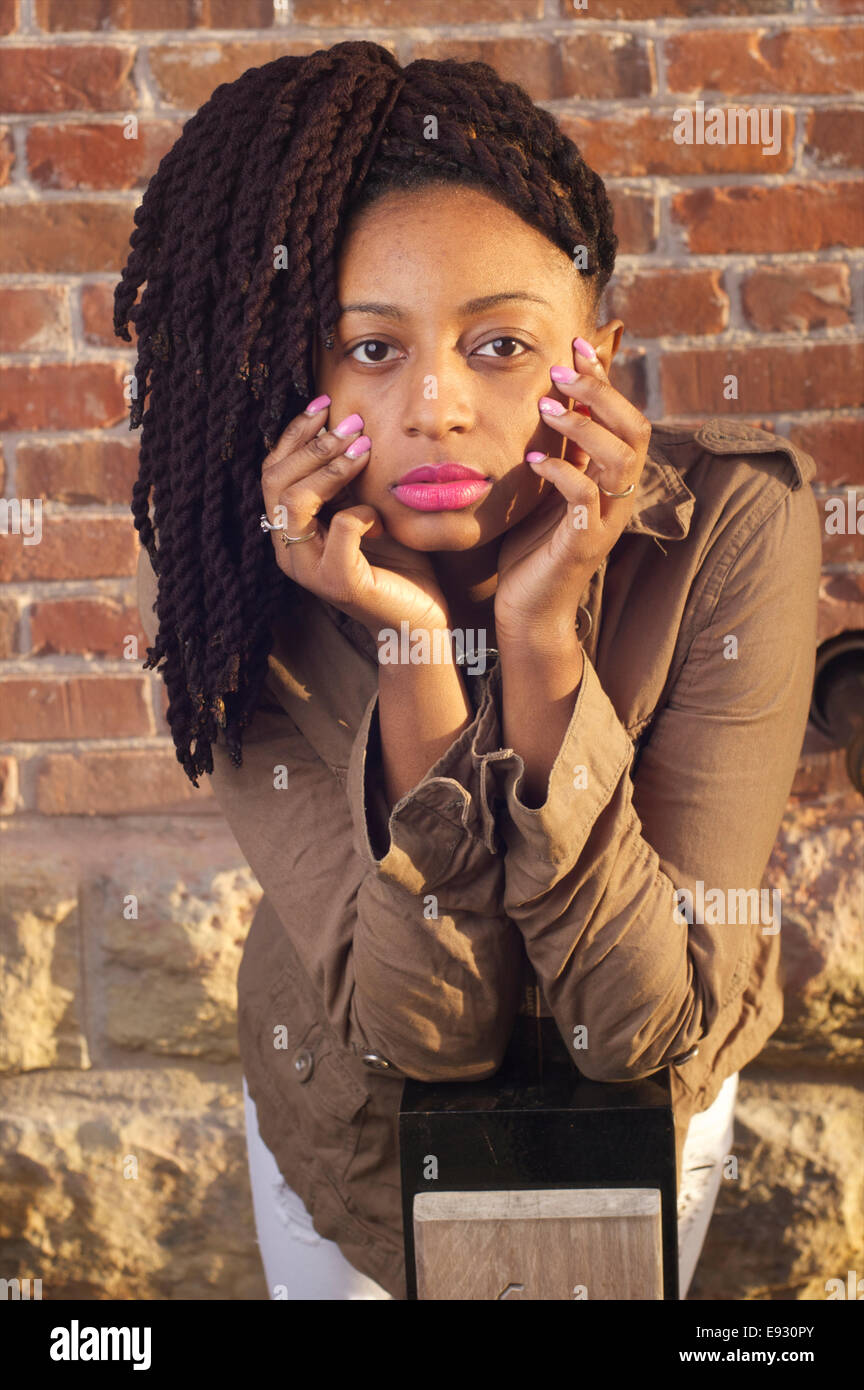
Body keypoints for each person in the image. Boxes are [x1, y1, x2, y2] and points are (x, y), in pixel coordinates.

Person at [125, 40, 822, 1300]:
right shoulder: (236, 594)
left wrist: (546, 642)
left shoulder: (731, 525)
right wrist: (407, 642)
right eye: (372, 351)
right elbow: (424, 1037)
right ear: (301, 367)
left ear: (594, 356)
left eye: (499, 347)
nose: (436, 404)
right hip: (352, 1168)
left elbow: (634, 1029)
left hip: (634, 1162)